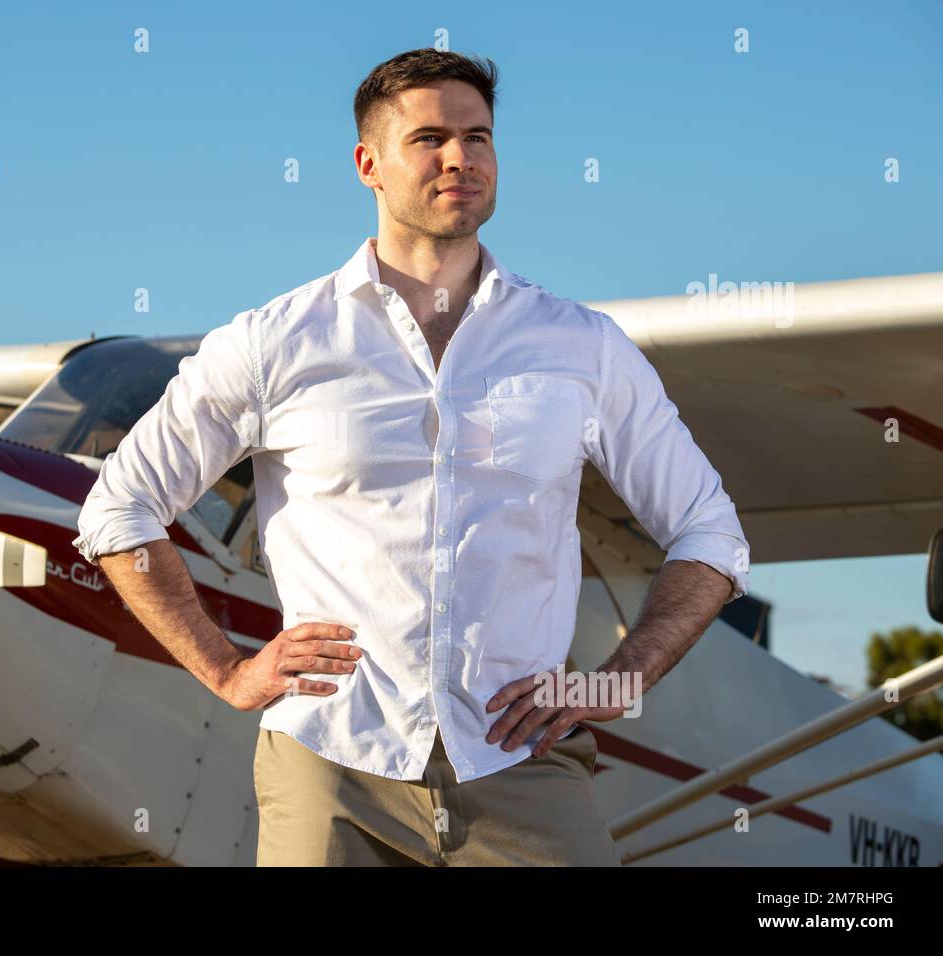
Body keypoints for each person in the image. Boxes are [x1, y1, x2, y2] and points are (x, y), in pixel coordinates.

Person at [74, 48, 749, 866]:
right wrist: (227, 671)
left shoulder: (582, 347)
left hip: (524, 765)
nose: (460, 157)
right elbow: (119, 508)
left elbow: (710, 532)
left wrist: (620, 678)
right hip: (330, 767)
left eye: (479, 137)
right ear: (369, 165)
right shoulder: (272, 343)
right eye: (430, 138)